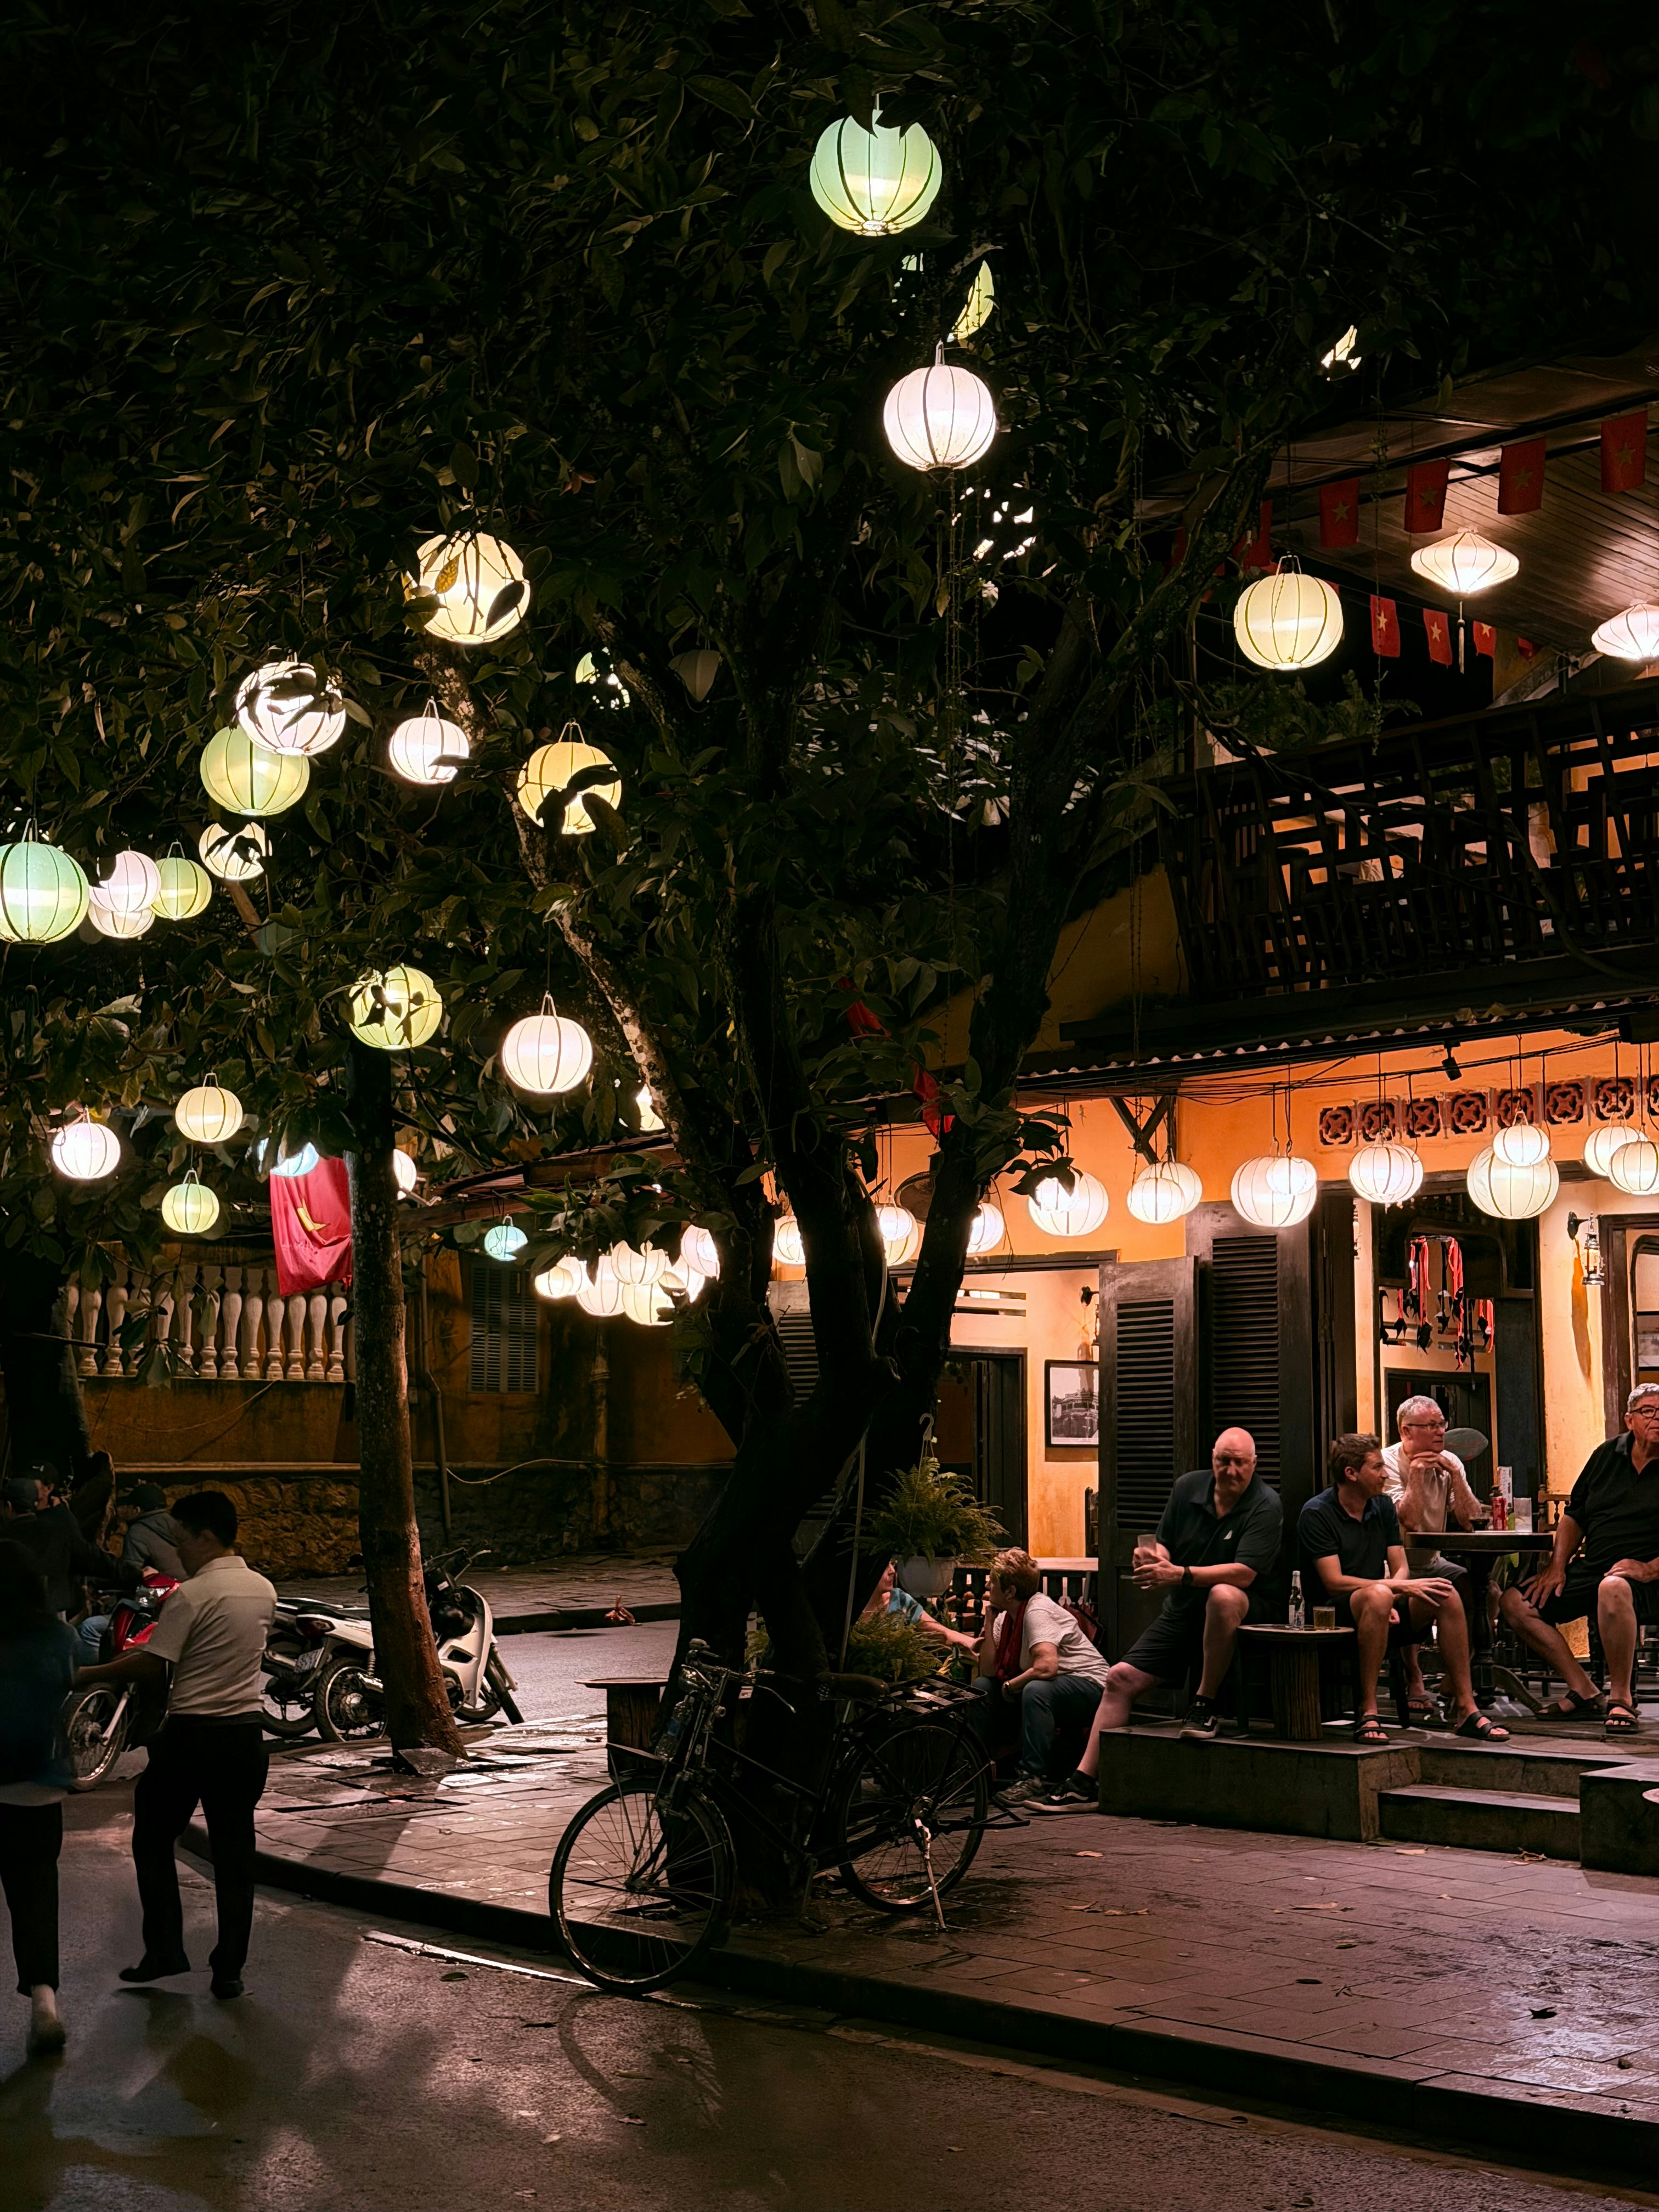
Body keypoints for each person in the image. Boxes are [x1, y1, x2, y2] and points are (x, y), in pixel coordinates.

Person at [75, 1489, 275, 1999]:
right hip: (245, 1737)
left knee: (152, 1838)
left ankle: (165, 1948)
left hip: (193, 1736)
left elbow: (153, 1662)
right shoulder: (263, 1590)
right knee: (235, 1854)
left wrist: (87, 1674)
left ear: (206, 1537)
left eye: (182, 1538)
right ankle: (229, 1967)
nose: (178, 1549)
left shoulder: (192, 1594)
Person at [1033, 1427, 1282, 1812]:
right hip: (1184, 1610)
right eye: (1223, 1461)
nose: (1231, 1471)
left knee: (1223, 1594)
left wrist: (1179, 1573)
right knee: (1119, 1678)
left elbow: (1244, 1573)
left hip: (1245, 1612)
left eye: (1239, 1463)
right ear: (1213, 1458)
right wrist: (1153, 1557)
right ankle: (1084, 1783)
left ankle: (1205, 1703)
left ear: (1254, 1464)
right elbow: (1164, 1542)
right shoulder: (1188, 1488)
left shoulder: (1266, 1504)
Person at [1300, 1435, 1508, 1745]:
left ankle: (1466, 1708)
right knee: (1379, 1595)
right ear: (1351, 1473)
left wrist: (1394, 1594)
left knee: (1445, 1592)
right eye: (1377, 1467)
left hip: (1382, 1602)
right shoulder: (1318, 1512)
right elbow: (1335, 1581)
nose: (1385, 1474)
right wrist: (1390, 1591)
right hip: (1331, 1613)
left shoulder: (1382, 1506)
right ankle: (1368, 1710)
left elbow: (1401, 1566)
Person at [1498, 1384, 1659, 1737]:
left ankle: (1621, 1698)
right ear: (1629, 1420)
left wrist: (1649, 1569)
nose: (1657, 1418)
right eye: (1648, 1411)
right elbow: (1575, 1515)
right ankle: (1584, 1690)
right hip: (1595, 1567)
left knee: (1613, 1588)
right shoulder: (1606, 1455)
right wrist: (1557, 1567)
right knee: (1515, 1602)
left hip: (1650, 1578)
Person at [0, 1540, 78, 2056]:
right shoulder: (59, 1635)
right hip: (37, 1791)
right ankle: (44, 2002)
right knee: (35, 1899)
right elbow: (67, 1689)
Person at [969, 1547, 1111, 1805]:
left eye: (993, 1582)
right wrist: (989, 1622)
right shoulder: (1006, 1617)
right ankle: (976, 1772)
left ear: (1010, 1592)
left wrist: (1011, 1685)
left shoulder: (1037, 1612)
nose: (988, 1587)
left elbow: (1047, 1667)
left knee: (1036, 1690)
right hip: (1056, 1685)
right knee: (982, 1687)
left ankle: (1032, 1778)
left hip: (1091, 1685)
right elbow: (987, 1671)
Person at [1381, 1397, 1479, 1718]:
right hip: (1393, 1565)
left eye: (1442, 1425)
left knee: (1482, 1591)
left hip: (1432, 1560)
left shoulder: (1449, 1461)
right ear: (1406, 1431)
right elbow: (1408, 1520)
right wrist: (1418, 1473)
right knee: (1431, 1593)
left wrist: (1456, 1475)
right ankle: (1414, 1675)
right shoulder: (1386, 1463)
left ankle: (1455, 1679)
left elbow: (1470, 1519)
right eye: (1431, 1426)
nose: (1440, 1432)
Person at [2, 1472, 138, 1620]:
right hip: (52, 1613)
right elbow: (91, 1559)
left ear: (8, 1507)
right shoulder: (58, 1528)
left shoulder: (6, 1538)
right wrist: (135, 1574)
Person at [76, 1484, 185, 1662]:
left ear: (137, 1510)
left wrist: (101, 1588)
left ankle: (98, 1673)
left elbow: (130, 1576)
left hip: (159, 1608)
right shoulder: (182, 1527)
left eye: (127, 1506)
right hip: (185, 1603)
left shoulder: (139, 1531)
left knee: (90, 1627)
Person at [859, 1561, 978, 1651]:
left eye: (892, 1564)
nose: (893, 1571)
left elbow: (941, 1633)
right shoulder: (851, 1607)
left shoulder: (898, 1601)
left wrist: (975, 1644)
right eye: (885, 1567)